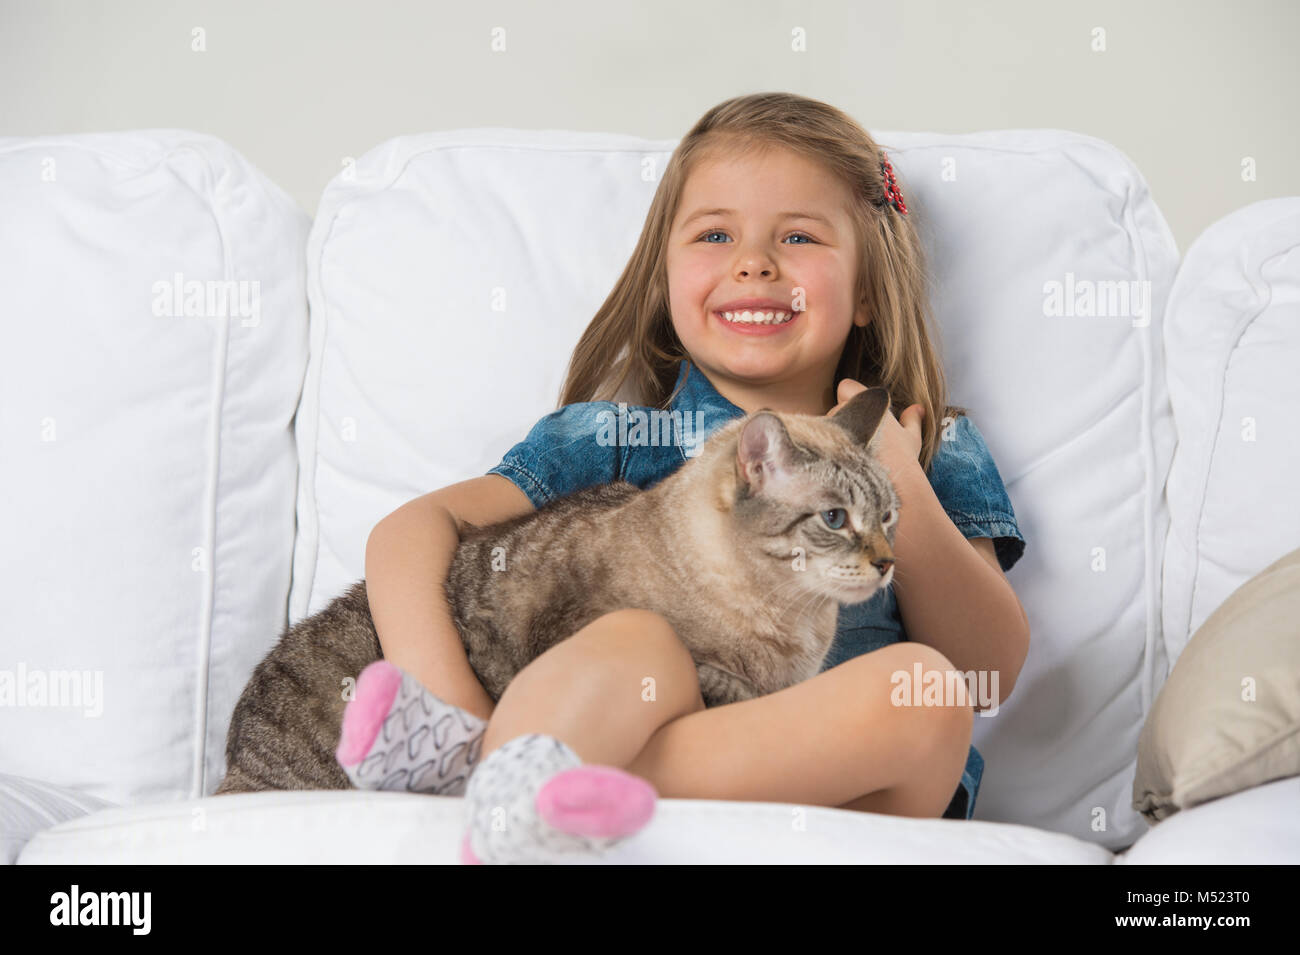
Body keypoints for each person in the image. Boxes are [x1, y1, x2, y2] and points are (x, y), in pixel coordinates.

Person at [335, 92, 1029, 864]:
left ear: (867, 290)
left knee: (928, 692)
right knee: (639, 638)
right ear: (667, 280)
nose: (754, 261)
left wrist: (890, 472)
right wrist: (454, 709)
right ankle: (499, 781)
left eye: (798, 235)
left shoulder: (928, 442)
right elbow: (409, 533)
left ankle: (508, 784)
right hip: (611, 749)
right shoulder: (619, 435)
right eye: (716, 233)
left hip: (837, 805)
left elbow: (985, 671)